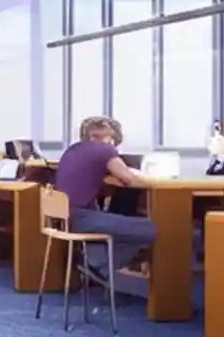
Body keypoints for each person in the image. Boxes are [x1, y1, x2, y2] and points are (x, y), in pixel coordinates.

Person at [55, 116, 156, 282]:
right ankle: (100, 264)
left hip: (64, 218)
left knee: (125, 225)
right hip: (81, 218)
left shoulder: (72, 150)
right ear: (109, 137)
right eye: (114, 140)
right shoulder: (104, 150)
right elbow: (129, 179)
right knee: (155, 229)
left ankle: (96, 262)